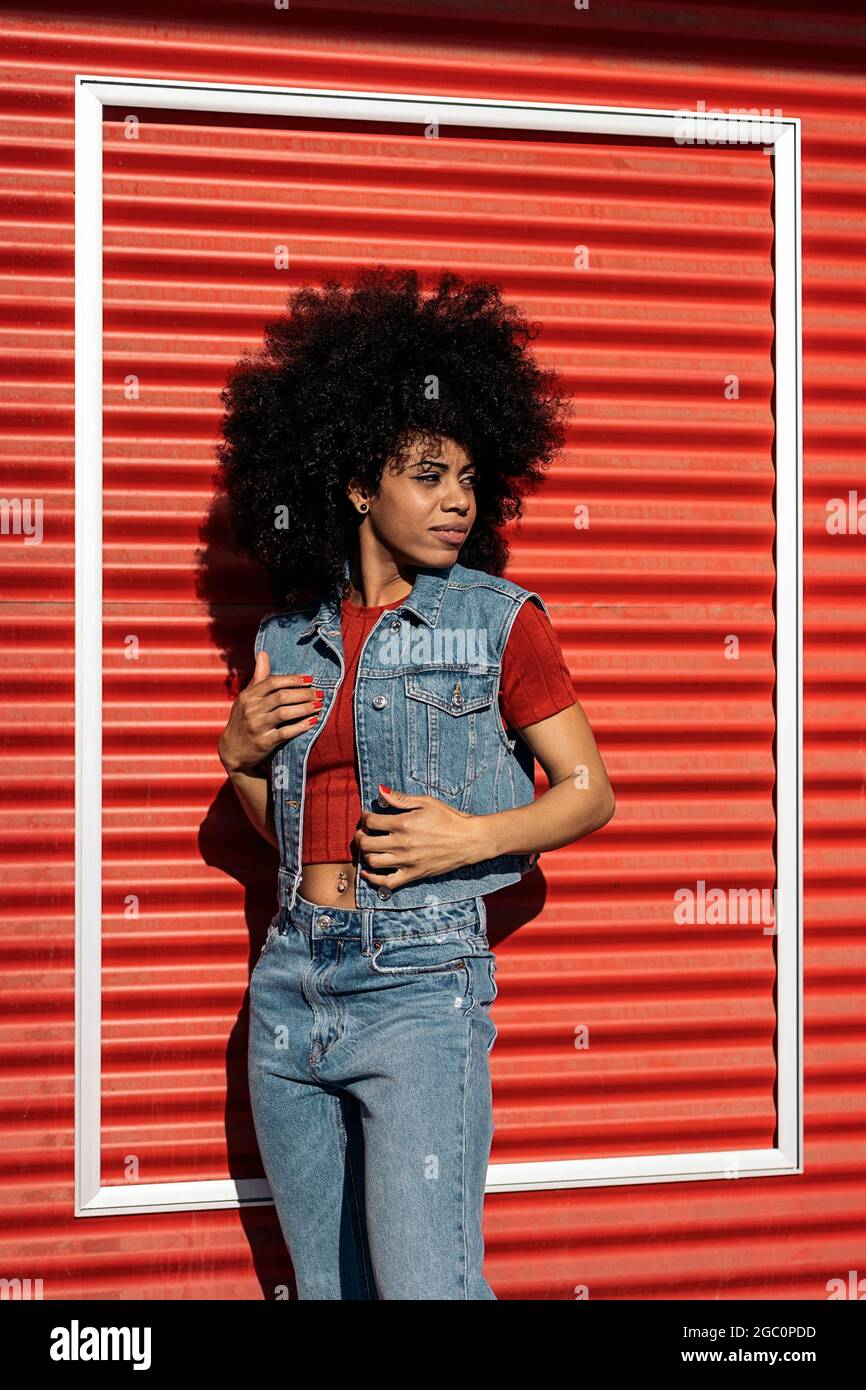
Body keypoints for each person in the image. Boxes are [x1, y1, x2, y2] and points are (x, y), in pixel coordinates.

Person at [216, 266, 615, 1299]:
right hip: (291, 982)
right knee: (327, 1289)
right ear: (356, 482)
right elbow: (286, 830)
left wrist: (468, 839)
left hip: (420, 988)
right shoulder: (286, 639)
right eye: (428, 474)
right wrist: (238, 756)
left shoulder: (496, 621)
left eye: (468, 479)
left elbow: (586, 789)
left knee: (424, 1286)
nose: (455, 501)